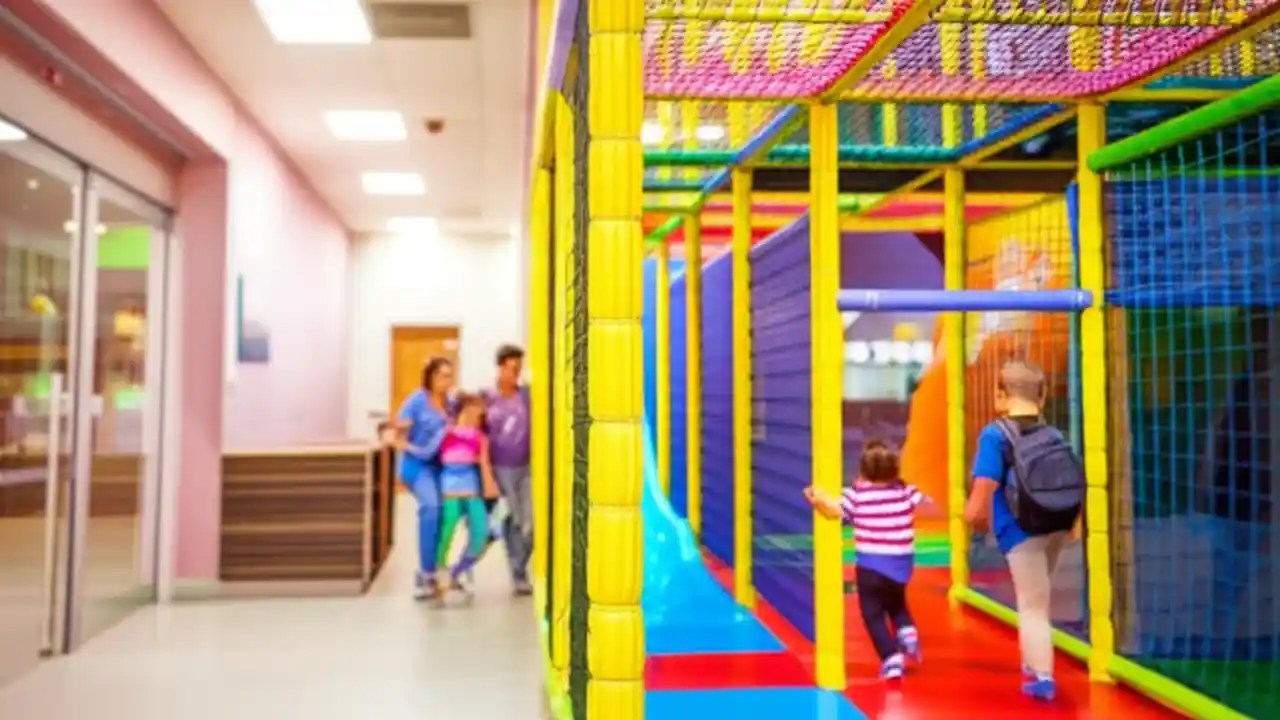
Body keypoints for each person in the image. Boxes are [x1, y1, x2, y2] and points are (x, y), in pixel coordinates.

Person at [964, 360, 1083, 702]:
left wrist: (971, 515)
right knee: (1038, 598)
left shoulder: (994, 434)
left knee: (1031, 605)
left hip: (1020, 529)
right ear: (1042, 397)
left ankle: (1043, 676)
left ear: (1000, 395)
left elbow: (985, 484)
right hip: (1055, 523)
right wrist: (1075, 523)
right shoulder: (1054, 434)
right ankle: (1034, 663)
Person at [804, 439, 932, 681]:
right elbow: (928, 506)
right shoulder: (906, 491)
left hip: (871, 566)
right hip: (901, 564)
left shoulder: (856, 495)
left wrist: (817, 501)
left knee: (872, 613)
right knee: (896, 601)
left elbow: (834, 511)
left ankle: (891, 658)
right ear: (895, 470)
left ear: (862, 471)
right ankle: (907, 630)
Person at [395, 357, 455, 600]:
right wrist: (408, 446)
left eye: (449, 375)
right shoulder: (416, 400)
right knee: (431, 508)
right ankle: (425, 573)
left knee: (446, 513)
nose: (446, 380)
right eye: (442, 375)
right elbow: (398, 434)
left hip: (442, 466)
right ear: (430, 376)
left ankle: (438, 566)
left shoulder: (451, 404)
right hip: (417, 464)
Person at [482, 344, 534, 596]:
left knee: (530, 523)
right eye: (512, 368)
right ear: (501, 367)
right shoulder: (487, 397)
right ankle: (518, 573)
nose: (516, 373)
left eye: (519, 368)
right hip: (500, 468)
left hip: (526, 468)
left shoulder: (527, 396)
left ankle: (521, 564)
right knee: (512, 519)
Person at [436, 393, 500, 595]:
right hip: (449, 490)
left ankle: (458, 570)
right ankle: (440, 571)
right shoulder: (446, 433)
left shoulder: (480, 438)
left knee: (481, 534)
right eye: (471, 411)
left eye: (478, 414)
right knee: (447, 529)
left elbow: (484, 463)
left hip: (471, 489)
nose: (474, 417)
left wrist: (490, 489)